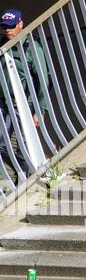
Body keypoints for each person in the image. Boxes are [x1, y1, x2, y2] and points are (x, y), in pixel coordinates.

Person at [1, 9, 50, 173]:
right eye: (4, 27)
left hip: (25, 104)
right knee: (2, 144)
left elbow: (43, 80)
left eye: (12, 26)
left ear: (20, 24)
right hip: (4, 102)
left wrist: (40, 109)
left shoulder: (31, 46)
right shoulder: (2, 44)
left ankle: (24, 176)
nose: (8, 30)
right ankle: (22, 172)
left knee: (23, 144)